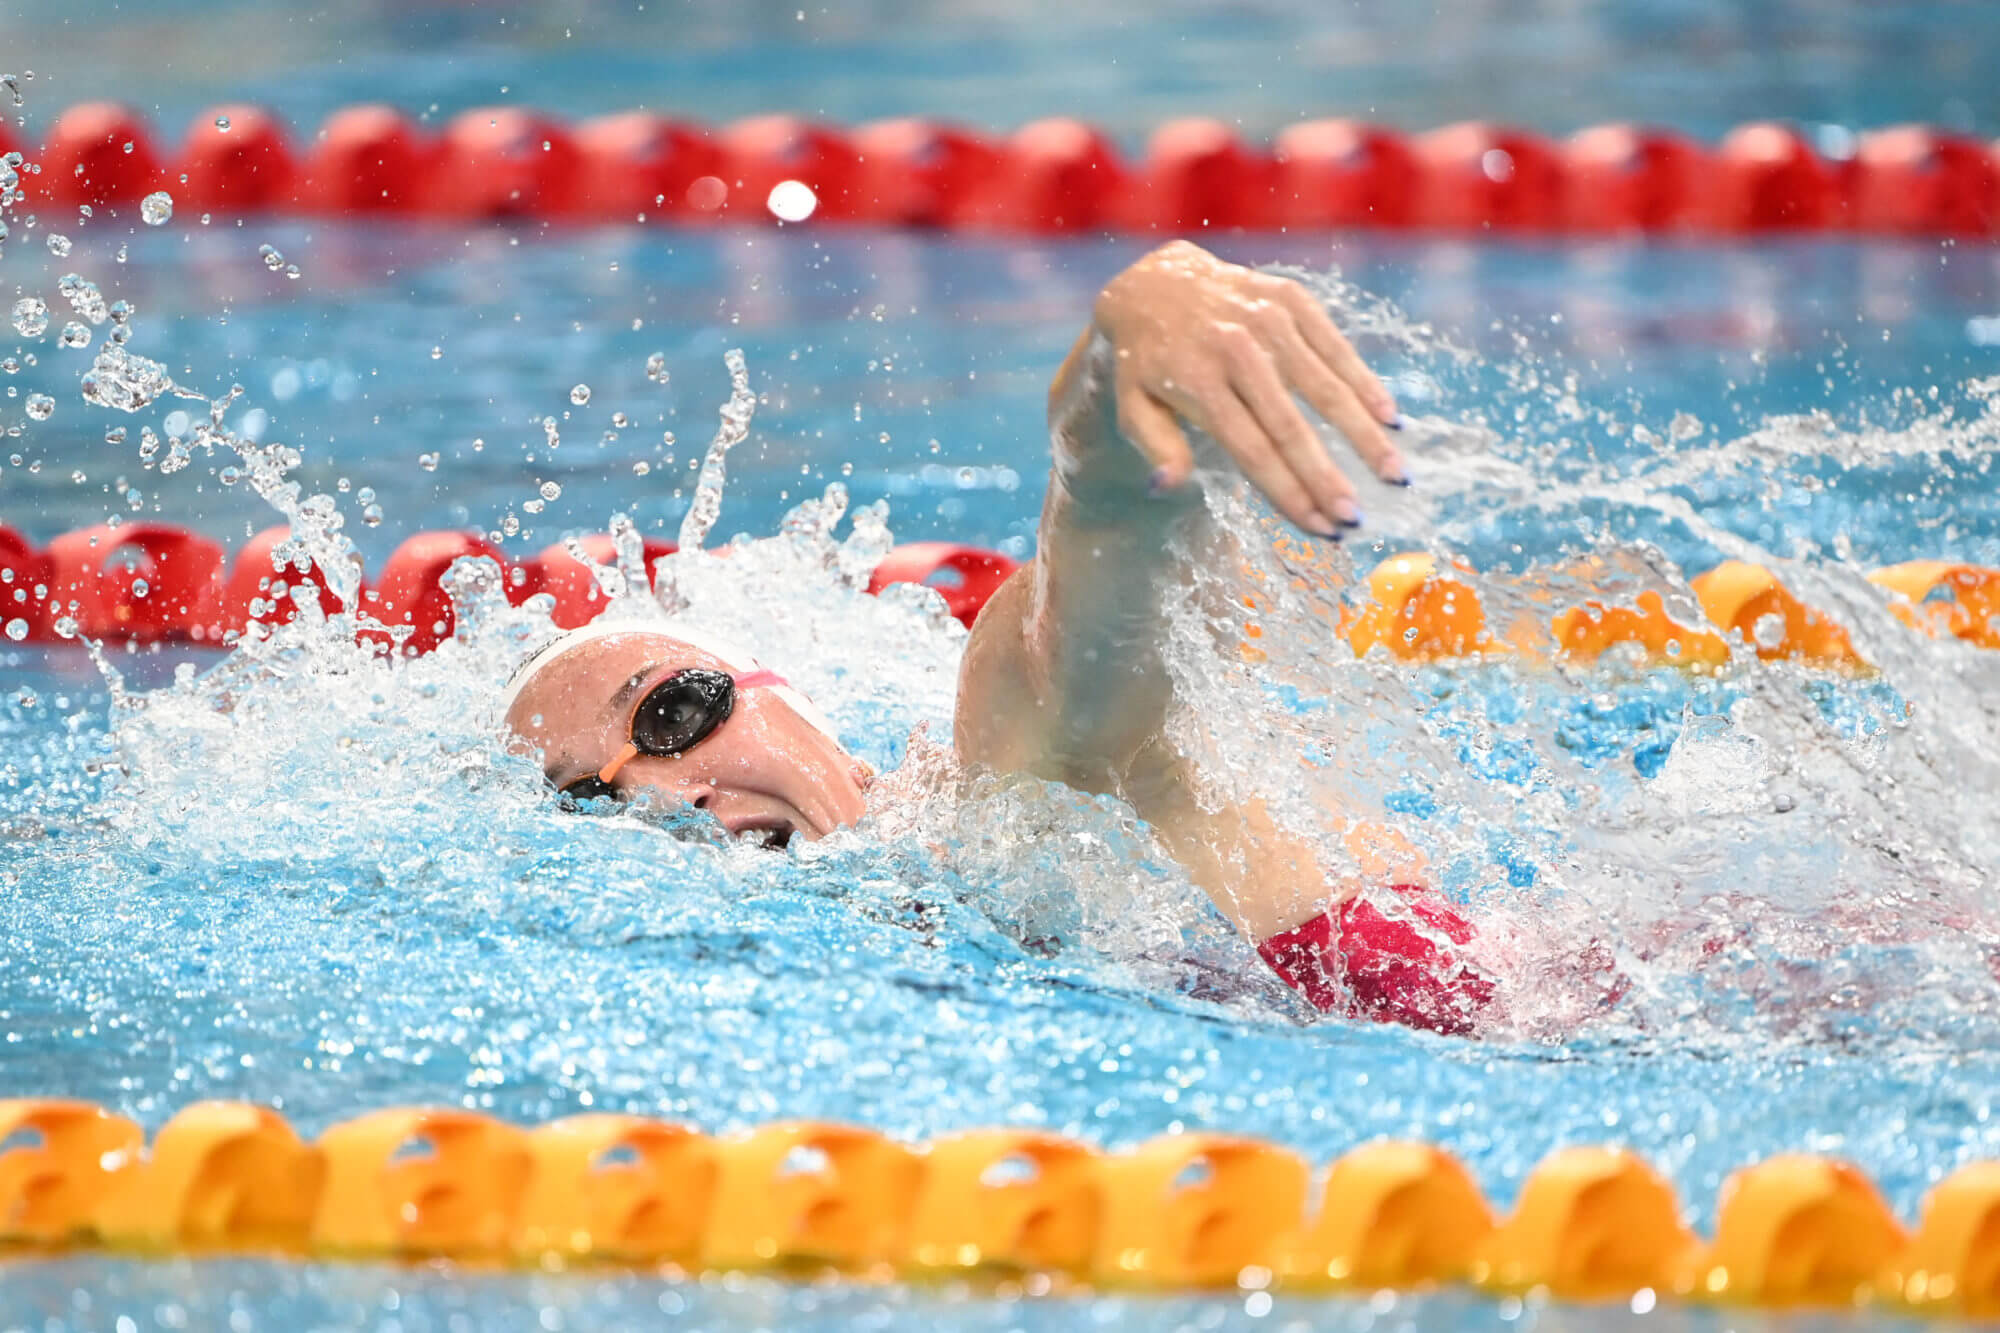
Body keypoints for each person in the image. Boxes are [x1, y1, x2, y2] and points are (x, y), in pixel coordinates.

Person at [500, 239, 1497, 1036]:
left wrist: (1125, 349)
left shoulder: (1012, 779)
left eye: (672, 715)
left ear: (789, 701)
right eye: (591, 800)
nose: (665, 793)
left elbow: (1103, 545)